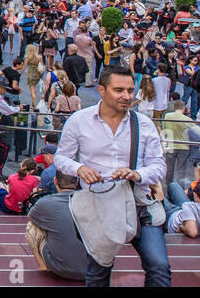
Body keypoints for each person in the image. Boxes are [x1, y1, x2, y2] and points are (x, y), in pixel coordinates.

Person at [55, 65, 170, 286]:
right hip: (99, 206)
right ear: (101, 89)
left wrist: (136, 174)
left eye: (129, 90)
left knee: (159, 267)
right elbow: (62, 158)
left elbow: (158, 166)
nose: (126, 96)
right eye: (119, 90)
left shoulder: (143, 123)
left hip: (140, 205)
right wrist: (80, 169)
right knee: (98, 270)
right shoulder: (79, 120)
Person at [25, 171, 89, 280]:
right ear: (77, 182)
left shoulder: (45, 203)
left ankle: (43, 267)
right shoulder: (91, 202)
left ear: (55, 181)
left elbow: (30, 217)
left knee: (32, 226)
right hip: (93, 270)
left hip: (60, 269)